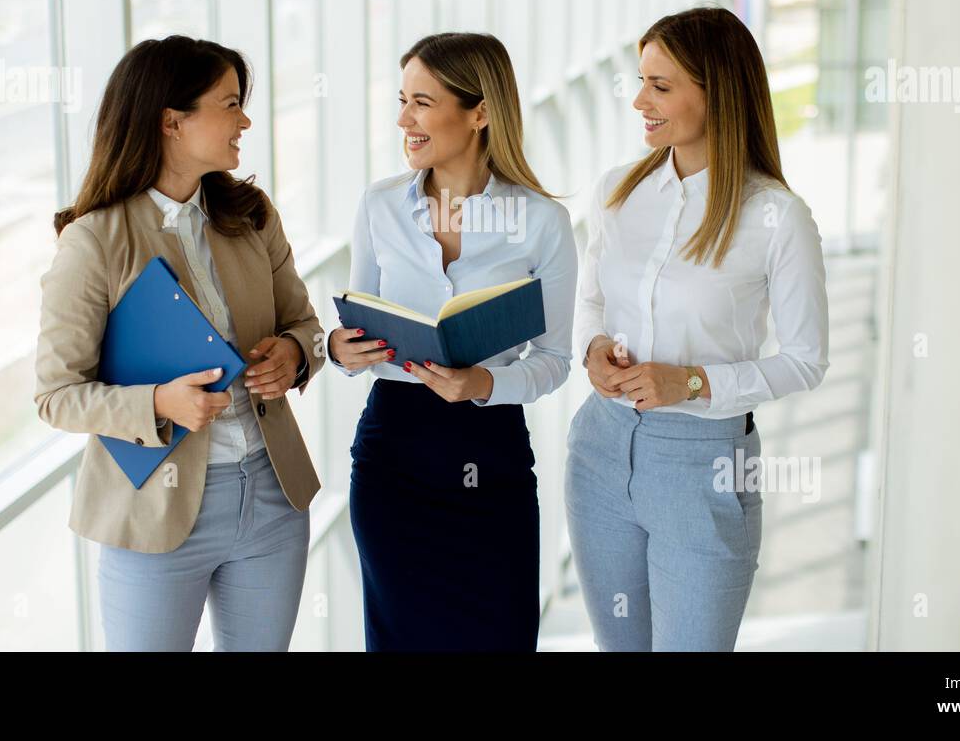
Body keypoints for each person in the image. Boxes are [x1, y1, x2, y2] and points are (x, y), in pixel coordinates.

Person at [35, 35, 324, 651]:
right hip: (154, 515)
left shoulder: (251, 215)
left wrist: (294, 355)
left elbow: (305, 325)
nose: (244, 119)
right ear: (172, 121)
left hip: (272, 497)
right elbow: (56, 395)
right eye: (229, 104)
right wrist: (158, 403)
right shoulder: (95, 242)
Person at [566, 7, 829, 651]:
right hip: (601, 451)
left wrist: (691, 382)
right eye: (641, 81)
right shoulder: (617, 192)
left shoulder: (776, 217)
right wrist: (593, 349)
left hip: (703, 467)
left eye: (661, 86)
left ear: (719, 92)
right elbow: (592, 301)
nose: (639, 101)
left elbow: (805, 359)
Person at [328, 32, 578, 651]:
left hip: (488, 451)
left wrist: (483, 383)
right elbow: (356, 321)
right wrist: (340, 349)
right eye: (402, 100)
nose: (403, 120)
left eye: (421, 102)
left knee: (500, 634)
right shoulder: (380, 204)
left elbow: (553, 361)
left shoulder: (542, 222)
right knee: (399, 638)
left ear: (480, 112)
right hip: (394, 454)